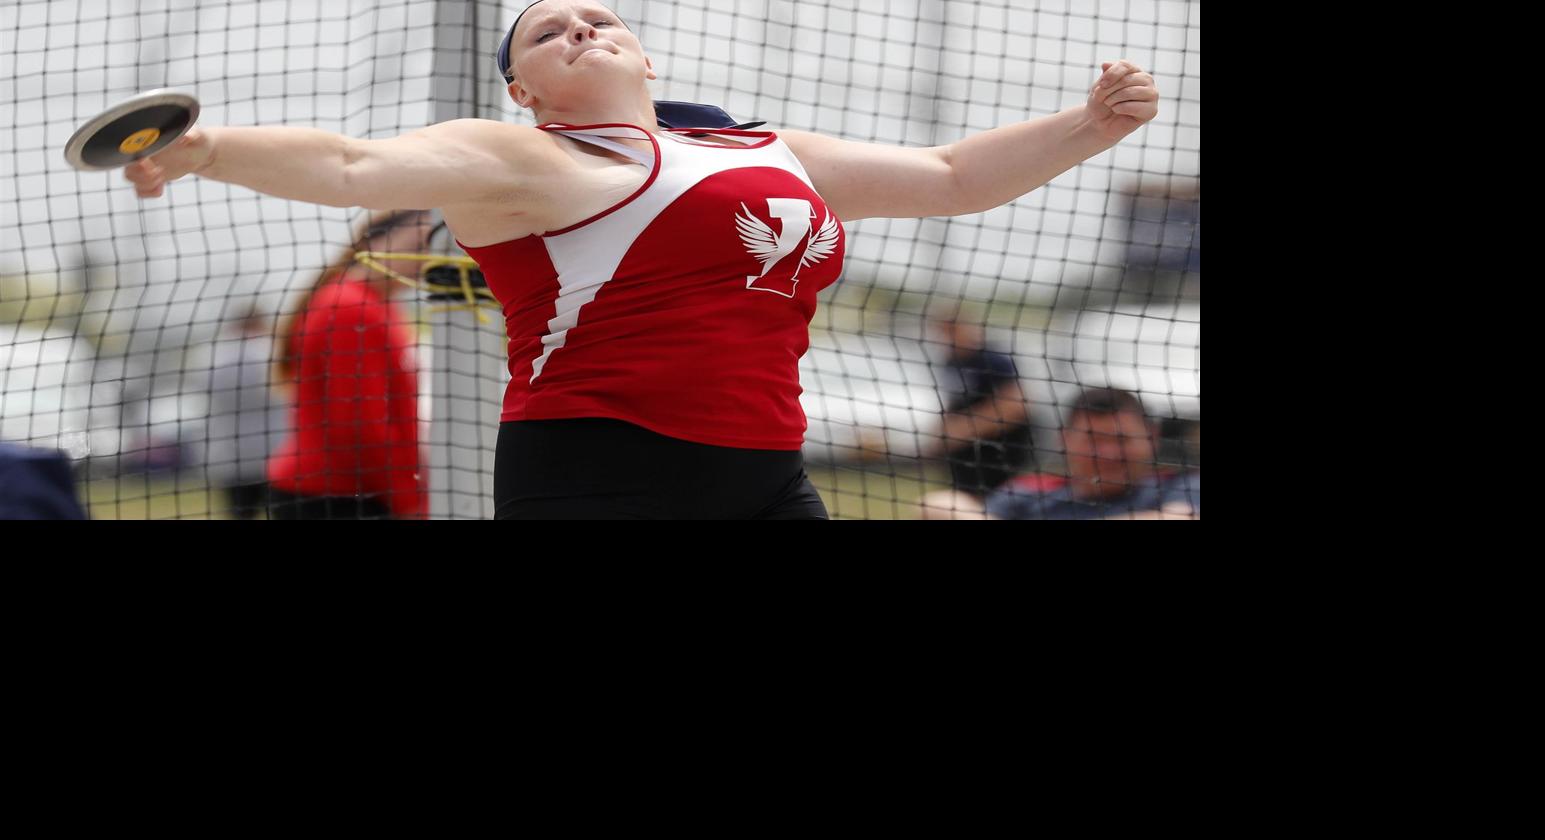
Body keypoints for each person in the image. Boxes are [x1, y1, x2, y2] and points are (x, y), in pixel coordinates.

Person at [123, 0, 1160, 520]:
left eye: (597, 17)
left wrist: (1087, 125)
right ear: (522, 89)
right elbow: (351, 165)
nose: (577, 27)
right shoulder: (516, 155)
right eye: (544, 34)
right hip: (602, 471)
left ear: (645, 57)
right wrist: (207, 149)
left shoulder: (765, 148)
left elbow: (948, 176)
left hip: (764, 471)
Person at [263, 210, 432, 520]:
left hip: (358, 491)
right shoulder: (349, 307)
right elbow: (360, 424)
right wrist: (409, 501)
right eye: (419, 244)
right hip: (331, 495)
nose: (426, 259)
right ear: (376, 240)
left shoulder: (382, 306)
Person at [920, 387, 1198, 520]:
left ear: (1152, 438)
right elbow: (937, 505)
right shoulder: (1033, 493)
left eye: (1121, 440)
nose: (1108, 453)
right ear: (1064, 439)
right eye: (1093, 440)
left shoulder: (1182, 486)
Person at [195, 303, 289, 518]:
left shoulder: (213, 354)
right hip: (274, 451)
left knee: (240, 514)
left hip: (232, 454)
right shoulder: (271, 349)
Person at [928, 312, 1033, 496]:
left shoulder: (992, 359)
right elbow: (954, 402)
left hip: (998, 453)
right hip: (965, 457)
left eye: (952, 330)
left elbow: (1016, 405)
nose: (945, 337)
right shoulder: (951, 361)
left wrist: (963, 430)